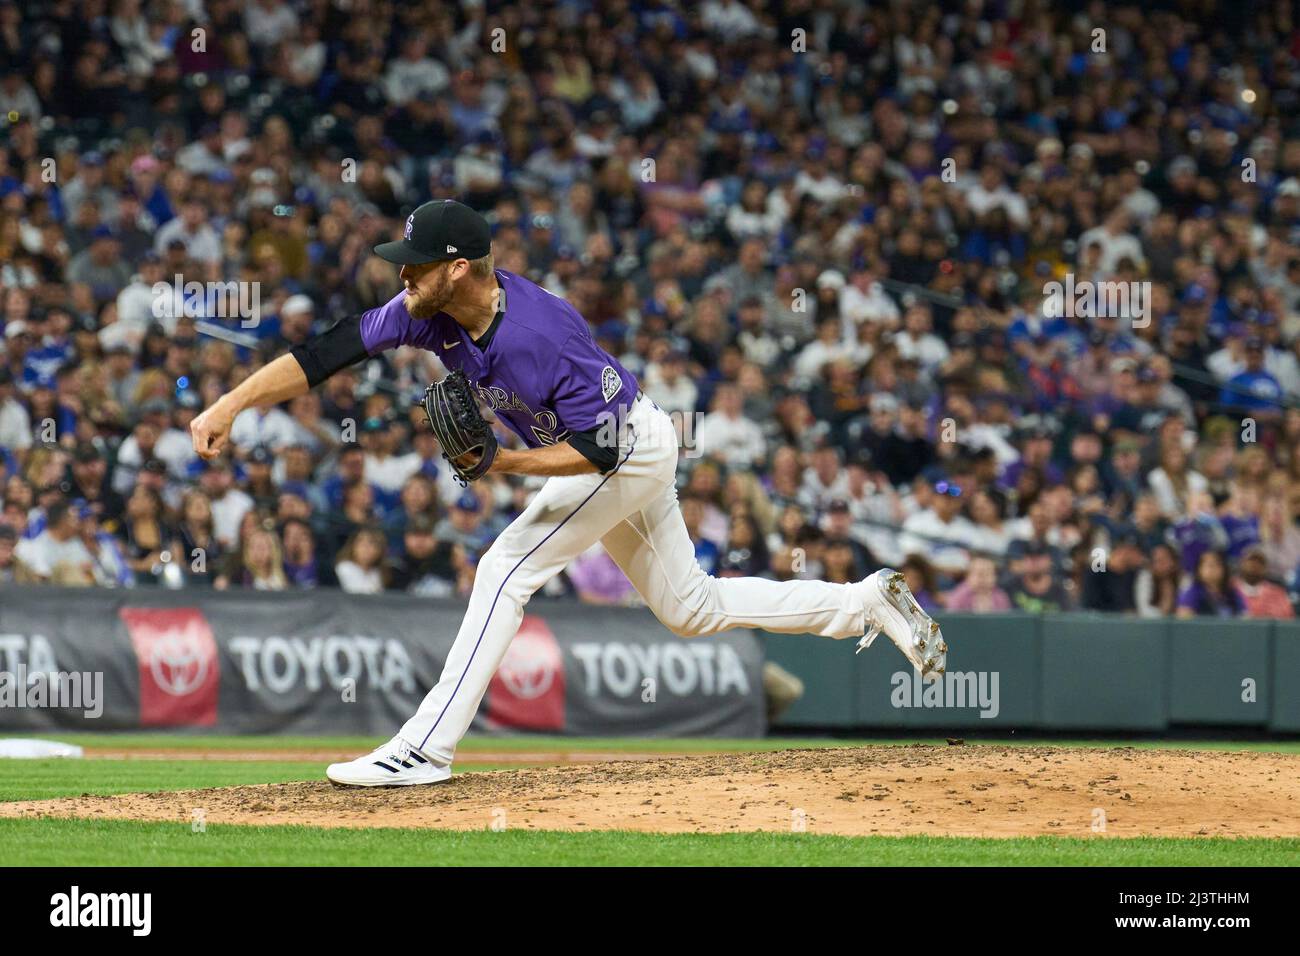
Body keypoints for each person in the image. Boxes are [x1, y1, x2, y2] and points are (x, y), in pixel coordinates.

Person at [189, 199, 948, 787]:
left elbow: (599, 449)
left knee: (505, 568)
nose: (403, 276)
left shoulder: (540, 332)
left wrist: (503, 470)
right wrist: (230, 405)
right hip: (617, 450)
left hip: (627, 452)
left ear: (460, 268)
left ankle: (423, 749)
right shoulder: (429, 315)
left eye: (417, 264)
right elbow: (329, 350)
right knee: (691, 609)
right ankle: (864, 602)